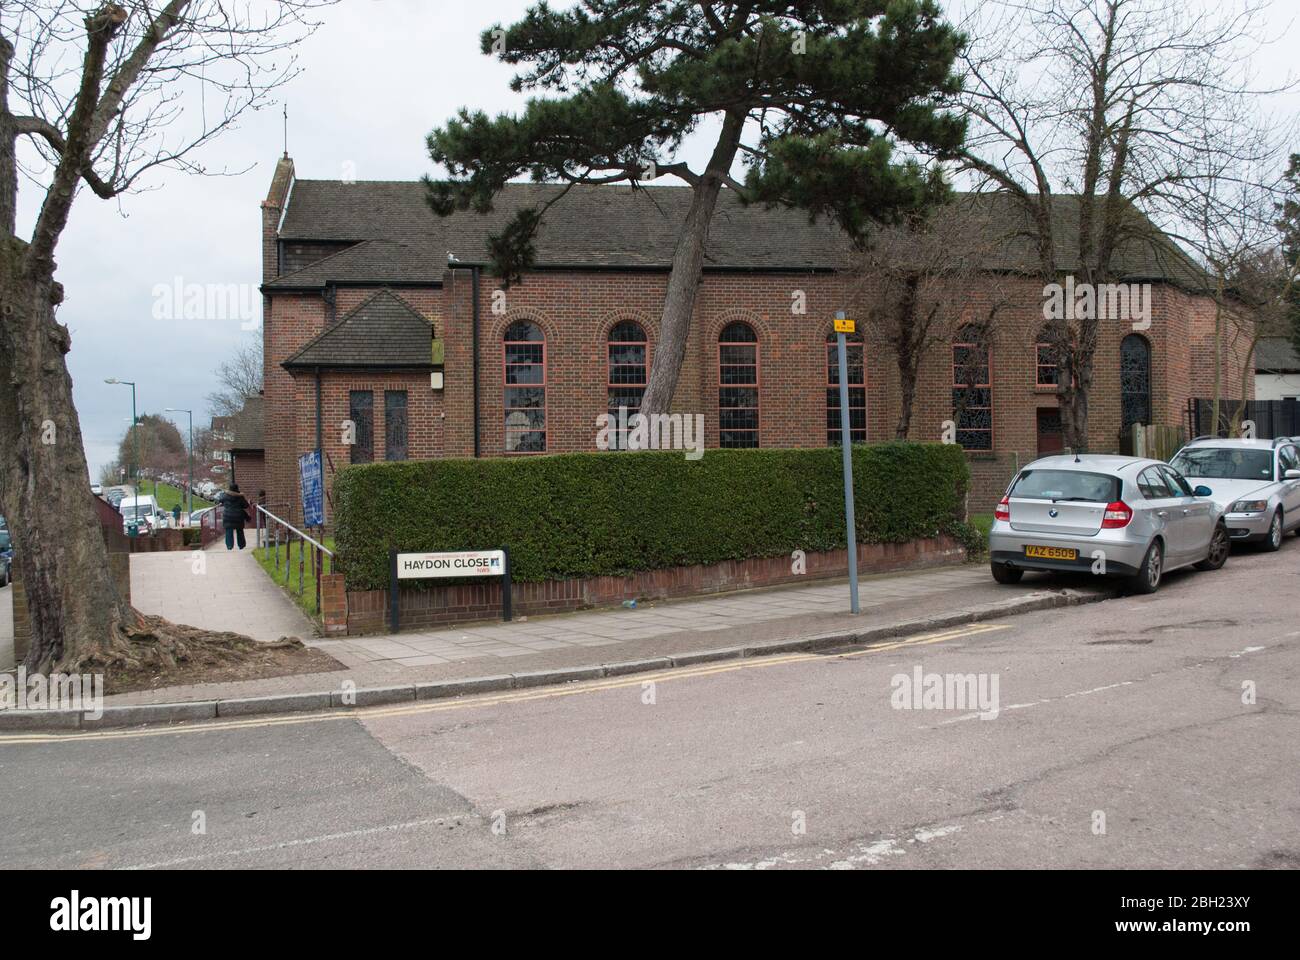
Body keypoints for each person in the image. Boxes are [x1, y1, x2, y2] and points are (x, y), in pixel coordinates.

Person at [218, 483, 250, 550]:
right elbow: (246, 505)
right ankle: (241, 545)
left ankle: (229, 546)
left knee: (228, 531)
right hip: (238, 516)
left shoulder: (225, 495)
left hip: (228, 516)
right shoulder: (240, 496)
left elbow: (219, 500)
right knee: (240, 531)